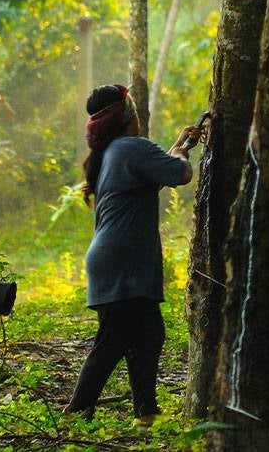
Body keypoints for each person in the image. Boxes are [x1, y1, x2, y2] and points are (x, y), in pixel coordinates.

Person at [64, 83, 201, 426]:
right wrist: (182, 155)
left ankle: (146, 412)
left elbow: (156, 173)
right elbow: (179, 173)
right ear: (129, 117)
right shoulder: (132, 148)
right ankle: (76, 411)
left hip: (115, 258)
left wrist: (179, 146)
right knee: (113, 338)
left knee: (148, 333)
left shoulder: (115, 152)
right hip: (122, 260)